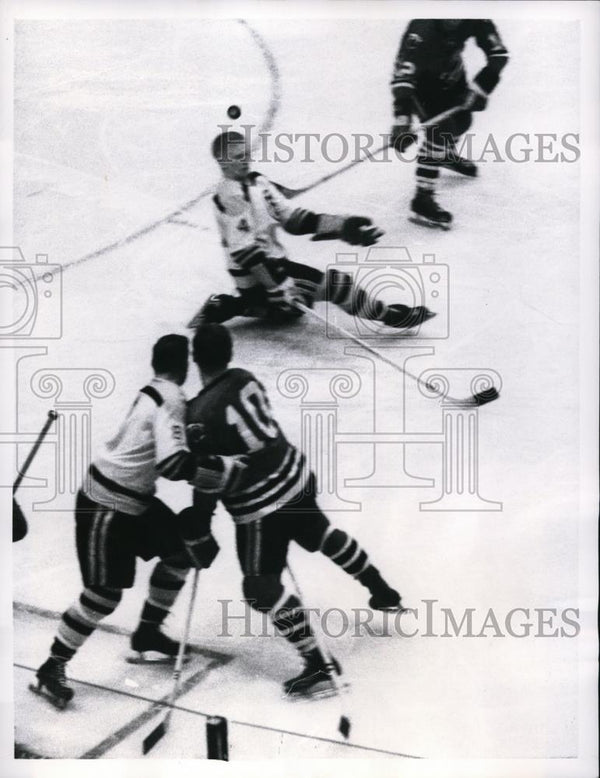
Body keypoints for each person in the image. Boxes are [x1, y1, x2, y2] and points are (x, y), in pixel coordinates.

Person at [185, 324, 403, 700]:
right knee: (321, 534)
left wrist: (199, 523)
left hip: (260, 505)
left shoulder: (198, 414)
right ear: (229, 352)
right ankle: (381, 589)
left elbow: (209, 477)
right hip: (295, 475)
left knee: (259, 587)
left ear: (195, 359)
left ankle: (319, 665)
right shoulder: (244, 378)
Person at [31, 335, 246, 709]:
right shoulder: (171, 399)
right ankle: (52, 666)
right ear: (184, 367)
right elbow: (172, 464)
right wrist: (222, 471)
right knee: (103, 594)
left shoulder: (152, 391)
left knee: (180, 553)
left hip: (131, 498)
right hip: (107, 506)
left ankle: (147, 634)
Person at [188, 130, 435, 330]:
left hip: (273, 266)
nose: (244, 160)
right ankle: (390, 315)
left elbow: (294, 220)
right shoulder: (230, 196)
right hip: (257, 275)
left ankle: (231, 306)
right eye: (236, 157)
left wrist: (342, 226)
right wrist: (277, 286)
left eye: (245, 153)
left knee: (293, 310)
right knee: (337, 285)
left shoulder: (258, 181)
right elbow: (245, 251)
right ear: (223, 163)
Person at [390, 19, 509, 228]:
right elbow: (403, 81)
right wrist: (402, 121)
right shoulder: (420, 31)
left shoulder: (473, 15)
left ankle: (442, 155)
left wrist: (481, 88)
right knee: (441, 131)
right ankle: (422, 199)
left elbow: (498, 55)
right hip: (422, 85)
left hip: (453, 75)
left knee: (463, 120)